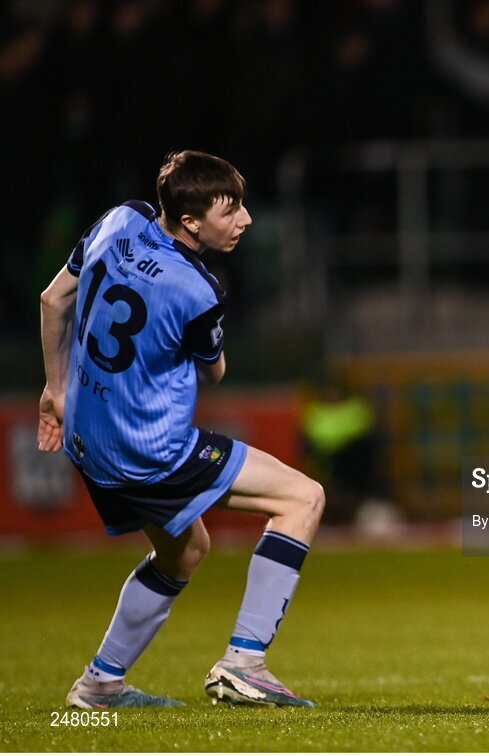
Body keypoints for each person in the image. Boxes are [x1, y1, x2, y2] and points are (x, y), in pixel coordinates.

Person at [38, 150, 325, 709]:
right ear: (191, 222)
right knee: (303, 498)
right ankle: (246, 663)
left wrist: (55, 390)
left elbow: (53, 300)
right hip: (150, 452)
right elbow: (214, 371)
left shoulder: (119, 219)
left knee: (185, 551)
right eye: (230, 210)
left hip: (86, 442)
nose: (244, 220)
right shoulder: (199, 287)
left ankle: (99, 686)